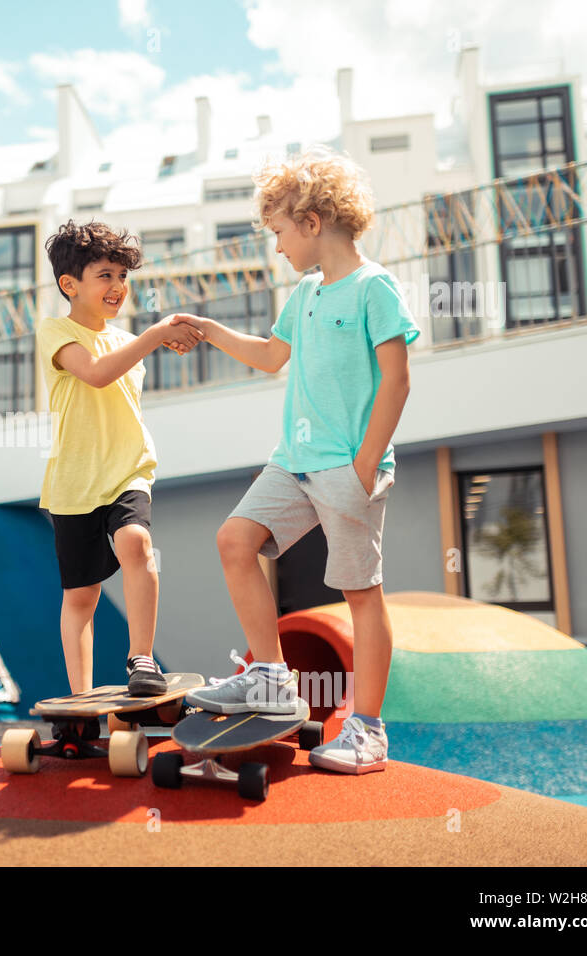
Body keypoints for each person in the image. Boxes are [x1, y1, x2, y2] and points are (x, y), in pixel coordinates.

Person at [171, 146, 420, 773]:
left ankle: (366, 729)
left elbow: (397, 380)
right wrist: (209, 329)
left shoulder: (373, 287)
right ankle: (271, 677)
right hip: (293, 461)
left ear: (311, 222)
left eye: (279, 231)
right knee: (235, 540)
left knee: (360, 594)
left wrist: (366, 463)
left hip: (347, 467)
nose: (277, 246)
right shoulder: (305, 293)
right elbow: (270, 356)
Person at [36, 220, 206, 697]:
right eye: (105, 276)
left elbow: (122, 374)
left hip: (129, 471)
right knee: (81, 597)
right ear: (70, 285)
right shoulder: (55, 331)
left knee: (136, 544)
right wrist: (154, 335)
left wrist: (154, 338)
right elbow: (95, 374)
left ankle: (141, 658)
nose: (118, 287)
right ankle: (81, 697)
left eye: (123, 277)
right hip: (73, 484)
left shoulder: (127, 340)